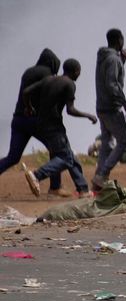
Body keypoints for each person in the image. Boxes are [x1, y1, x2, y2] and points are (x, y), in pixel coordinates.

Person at [19, 58, 95, 198]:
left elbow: (26, 92)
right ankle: (36, 175)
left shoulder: (49, 79)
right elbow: (70, 110)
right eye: (79, 72)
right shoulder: (69, 84)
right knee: (66, 158)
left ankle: (83, 189)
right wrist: (88, 115)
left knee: (69, 155)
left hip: (40, 124)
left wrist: (29, 107)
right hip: (54, 126)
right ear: (76, 71)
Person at [0, 50, 63, 193]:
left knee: (13, 157)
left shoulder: (28, 72)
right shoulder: (46, 74)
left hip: (18, 120)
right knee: (56, 149)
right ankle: (55, 187)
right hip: (35, 121)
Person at [91, 29, 126, 191]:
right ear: (119, 40)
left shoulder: (103, 57)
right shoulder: (113, 59)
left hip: (101, 106)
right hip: (112, 108)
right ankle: (102, 174)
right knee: (123, 142)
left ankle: (98, 178)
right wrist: (125, 104)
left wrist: (122, 61)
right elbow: (112, 84)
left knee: (107, 143)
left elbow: (112, 76)